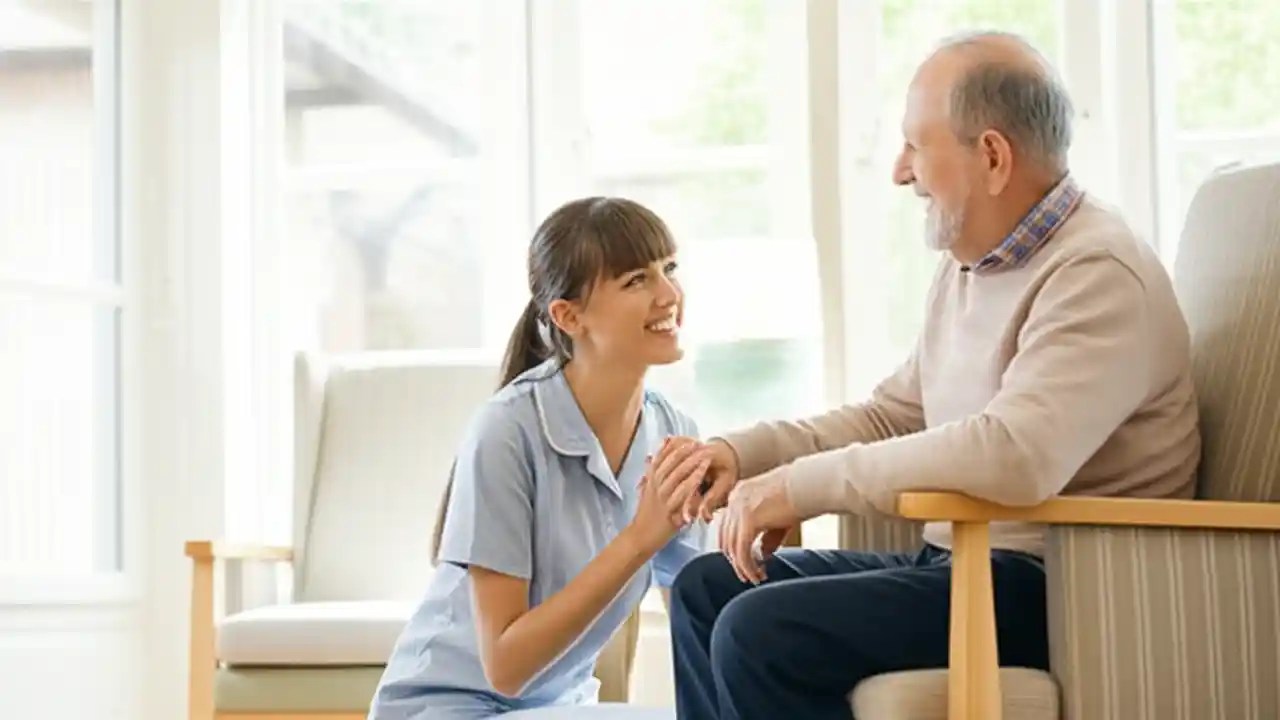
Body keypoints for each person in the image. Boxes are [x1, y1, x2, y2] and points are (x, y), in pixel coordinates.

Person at [667, 31, 1201, 720]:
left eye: (916, 145)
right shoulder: (971, 264)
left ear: (992, 156)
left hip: (1067, 589)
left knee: (762, 633)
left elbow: (1016, 456)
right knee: (708, 588)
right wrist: (746, 455)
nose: (898, 171)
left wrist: (801, 489)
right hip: (964, 564)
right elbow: (894, 415)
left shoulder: (1098, 274)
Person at [369, 197, 711, 719]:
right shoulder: (507, 430)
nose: (669, 295)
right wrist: (641, 538)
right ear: (568, 316)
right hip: (449, 708)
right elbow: (505, 666)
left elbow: (694, 605)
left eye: (669, 269)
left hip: (560, 708)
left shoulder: (673, 432)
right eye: (636, 281)